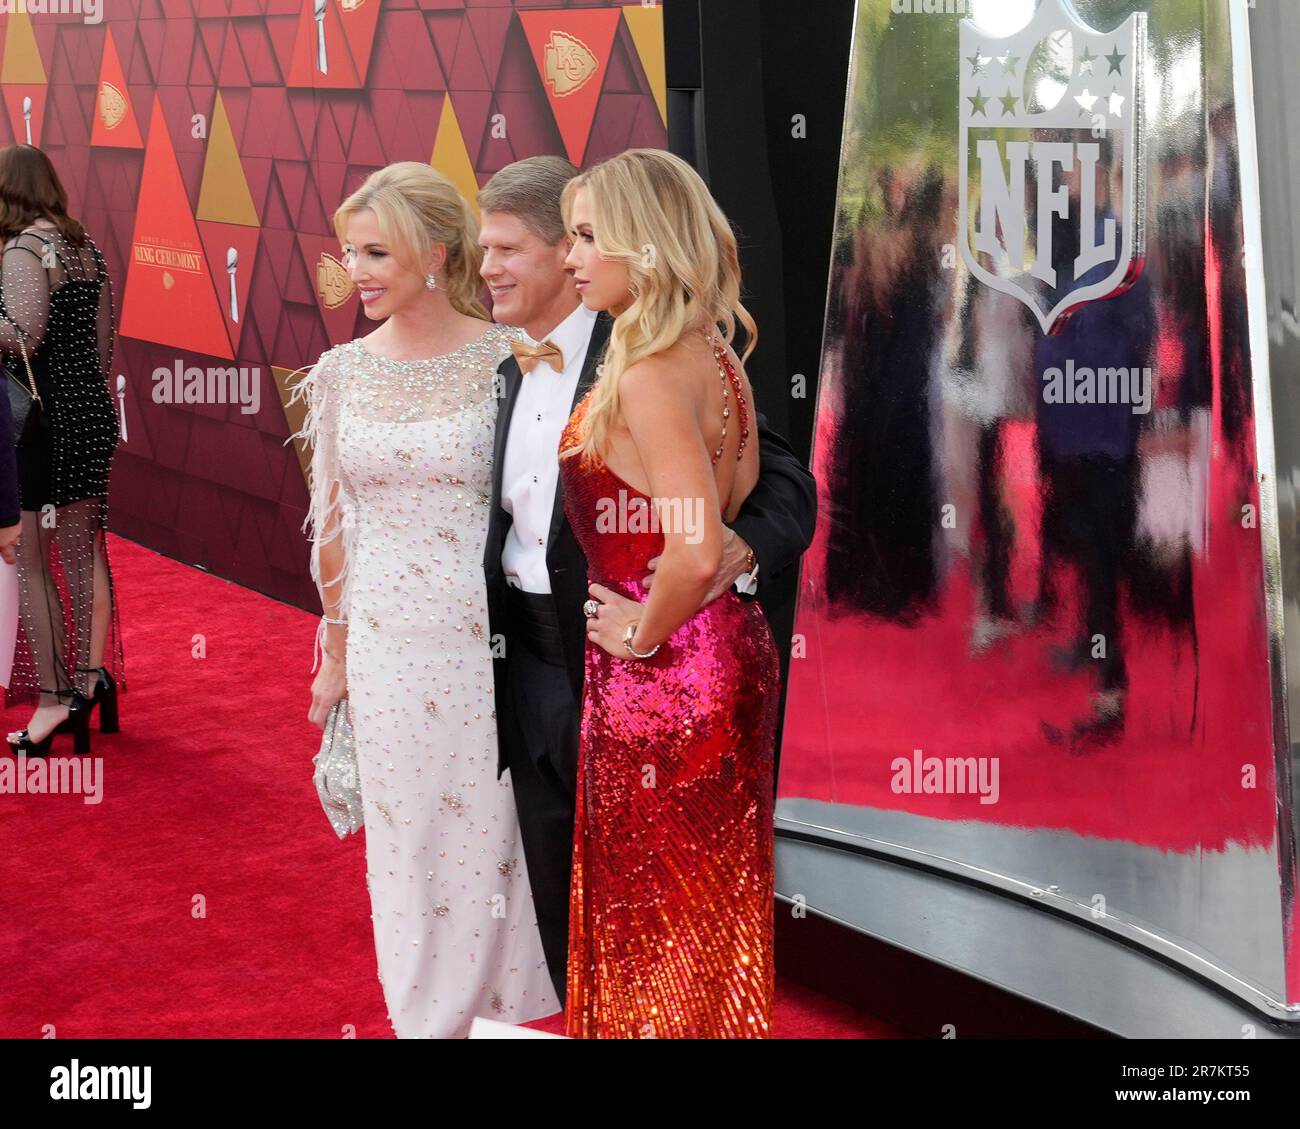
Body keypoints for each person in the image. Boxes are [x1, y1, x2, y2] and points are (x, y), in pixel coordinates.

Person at [478, 153, 816, 1033]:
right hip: (723, 655)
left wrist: (638, 631)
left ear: (648, 246)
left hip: (666, 675)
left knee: (648, 926)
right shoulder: (712, 350)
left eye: (589, 236)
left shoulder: (652, 369)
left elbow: (694, 546)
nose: (574, 255)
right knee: (703, 919)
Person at [289, 162, 557, 1038]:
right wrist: (334, 654)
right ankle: (422, 1026)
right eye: (349, 252)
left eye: (377, 251)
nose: (356, 271)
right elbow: (332, 524)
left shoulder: (508, 361)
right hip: (385, 648)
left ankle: (494, 1025)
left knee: (488, 848)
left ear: (436, 252)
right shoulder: (338, 373)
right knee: (404, 855)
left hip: (486, 642)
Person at [0, 144, 123, 756]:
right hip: (90, 410)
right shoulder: (86, 247)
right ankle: (90, 679)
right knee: (83, 550)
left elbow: (22, 336)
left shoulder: (24, 248)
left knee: (29, 556)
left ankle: (52, 700)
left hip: (43, 422)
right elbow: (103, 345)